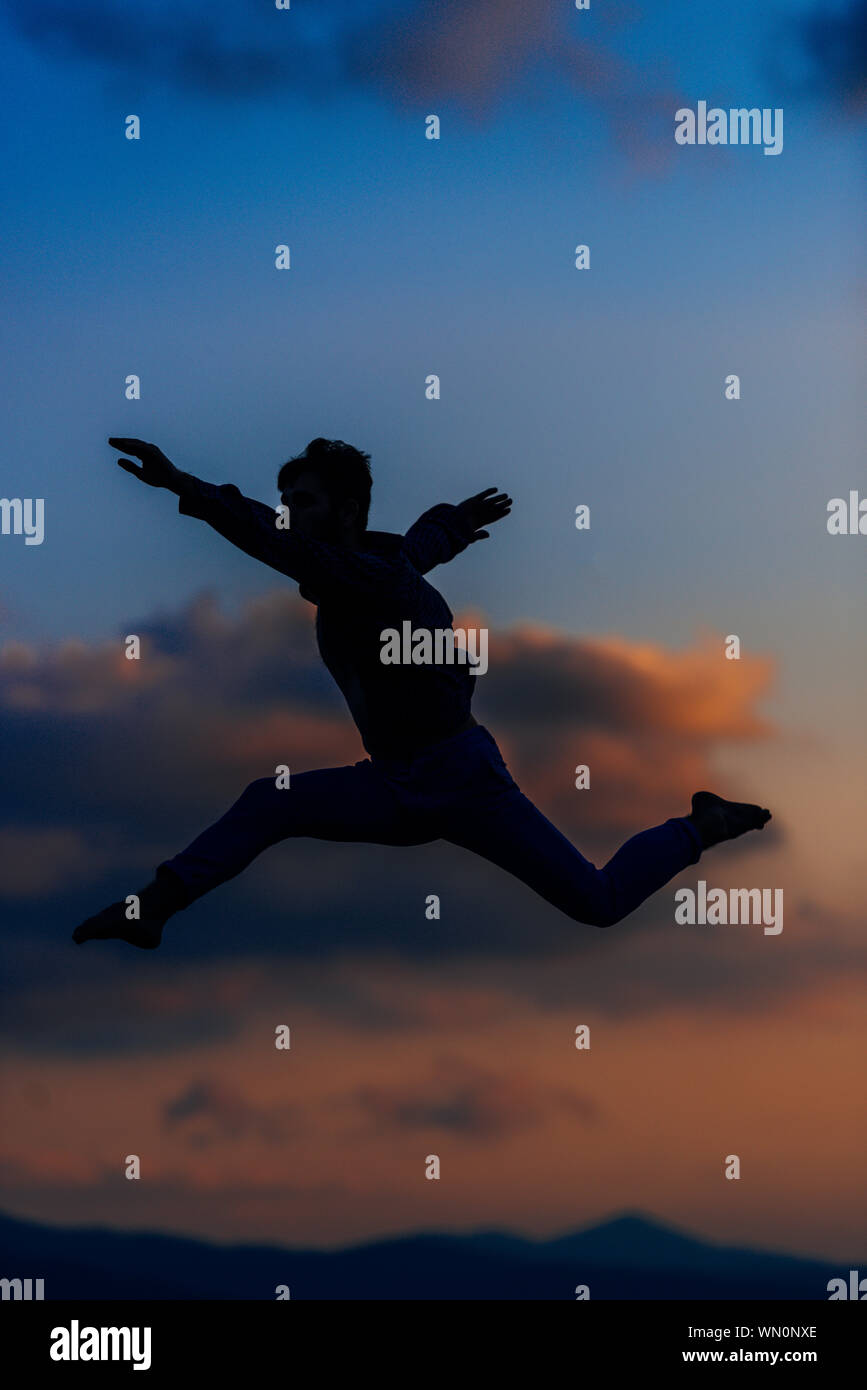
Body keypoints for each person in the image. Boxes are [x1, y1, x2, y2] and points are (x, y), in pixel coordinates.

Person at [73, 436, 771, 950]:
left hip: (466, 780)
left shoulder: (365, 578)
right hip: (394, 782)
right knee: (270, 801)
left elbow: (272, 541)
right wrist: (455, 522)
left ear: (344, 511)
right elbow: (419, 544)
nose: (288, 515)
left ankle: (699, 826)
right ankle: (152, 909)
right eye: (285, 502)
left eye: (302, 503)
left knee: (597, 901)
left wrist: (182, 485)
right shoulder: (383, 565)